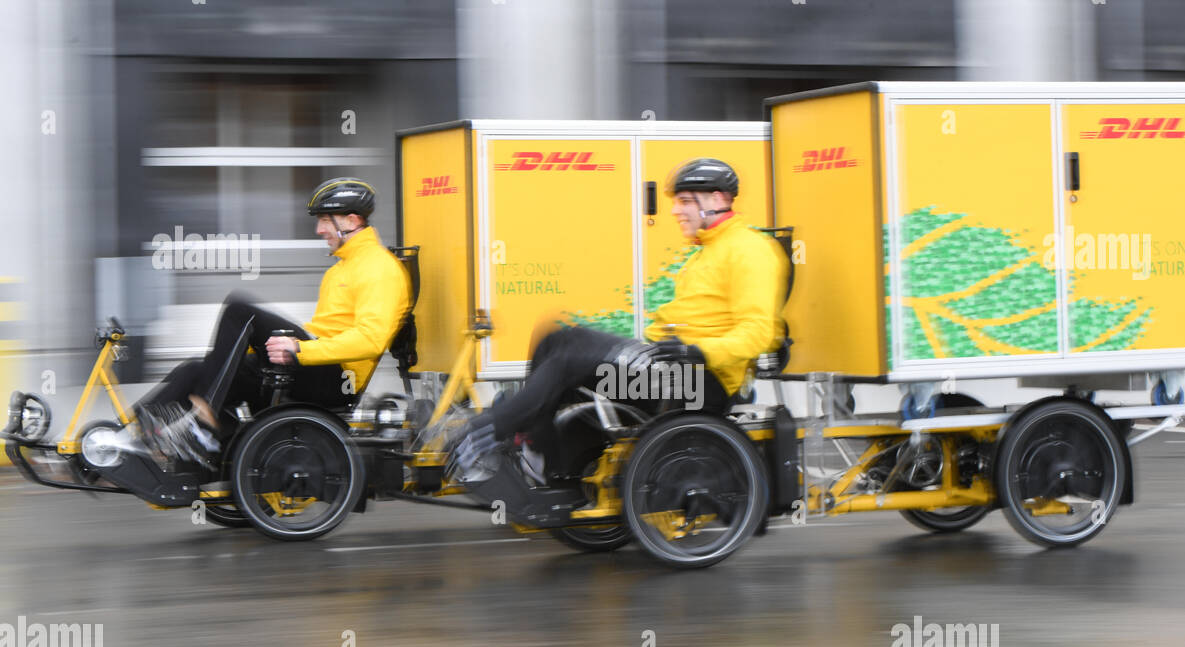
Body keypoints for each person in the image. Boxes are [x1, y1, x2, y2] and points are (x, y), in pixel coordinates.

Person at [450, 157, 788, 485]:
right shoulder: (705, 251)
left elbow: (761, 333)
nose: (674, 210)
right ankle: (536, 448)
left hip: (698, 383)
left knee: (569, 359)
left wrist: (696, 352)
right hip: (672, 370)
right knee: (556, 338)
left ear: (717, 199)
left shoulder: (750, 250)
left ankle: (489, 431)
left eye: (685, 201)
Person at [128, 177, 411, 467]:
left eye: (325, 220)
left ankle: (205, 422)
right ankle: (124, 441)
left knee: (240, 310)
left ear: (352, 220)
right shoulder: (340, 270)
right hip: (315, 364)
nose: (319, 230)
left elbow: (371, 339)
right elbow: (324, 331)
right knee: (197, 370)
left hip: (337, 380)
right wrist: (247, 353)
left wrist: (300, 350)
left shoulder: (379, 268)